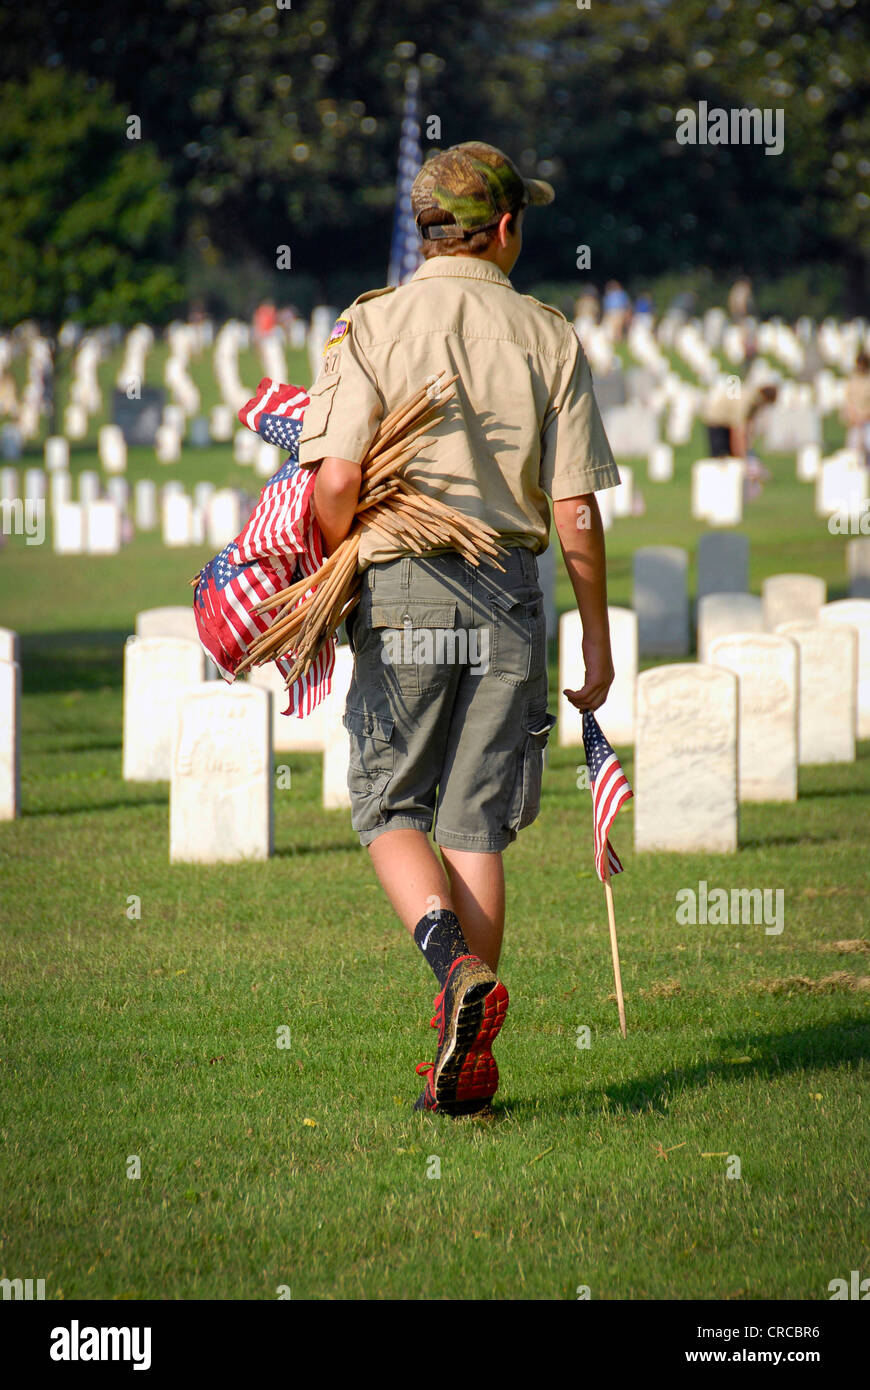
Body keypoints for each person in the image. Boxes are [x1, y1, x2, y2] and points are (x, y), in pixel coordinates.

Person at [296, 141, 620, 1117]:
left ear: (425, 227)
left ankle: (452, 965)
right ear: (508, 226)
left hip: (401, 585)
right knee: (477, 821)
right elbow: (574, 513)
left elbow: (339, 479)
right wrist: (597, 640)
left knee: (388, 803)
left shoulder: (374, 325)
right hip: (510, 596)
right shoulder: (547, 335)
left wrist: (326, 573)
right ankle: (466, 1059)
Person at [843, 351, 870, 466]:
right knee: (853, 447)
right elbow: (849, 400)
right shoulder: (853, 380)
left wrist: (865, 416)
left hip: (867, 419)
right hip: (855, 419)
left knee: (868, 444)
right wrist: (853, 416)